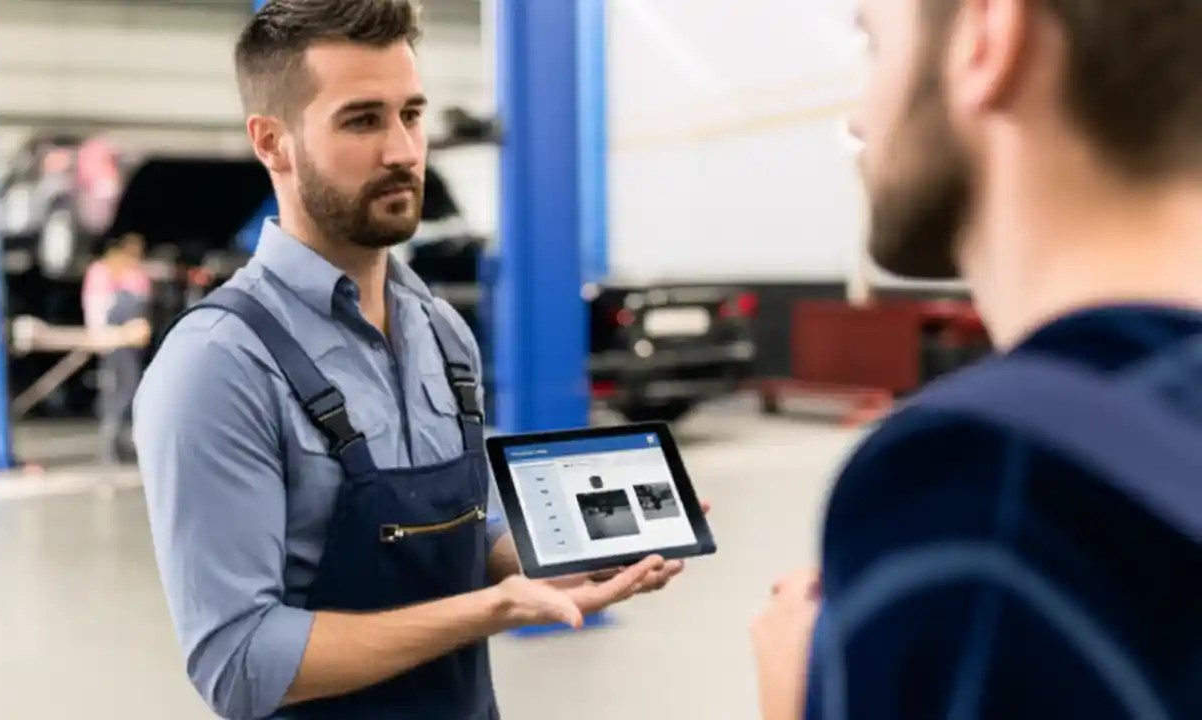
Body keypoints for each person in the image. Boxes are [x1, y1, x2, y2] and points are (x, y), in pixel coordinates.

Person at [132, 2, 687, 719]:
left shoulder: (442, 331)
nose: (402, 150)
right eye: (363, 120)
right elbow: (238, 663)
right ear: (274, 142)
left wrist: (565, 557)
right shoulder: (217, 366)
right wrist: (489, 611)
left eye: (412, 115)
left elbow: (461, 528)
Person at [751, 1, 1202, 719]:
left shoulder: (987, 481)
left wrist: (792, 703)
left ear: (987, 39)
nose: (861, 119)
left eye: (873, 45)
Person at [82, 231, 151, 463]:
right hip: (115, 340)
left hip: (130, 342)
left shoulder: (135, 273)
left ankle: (121, 442)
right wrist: (102, 337)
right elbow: (97, 309)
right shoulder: (104, 273)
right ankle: (111, 444)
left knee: (129, 388)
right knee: (120, 389)